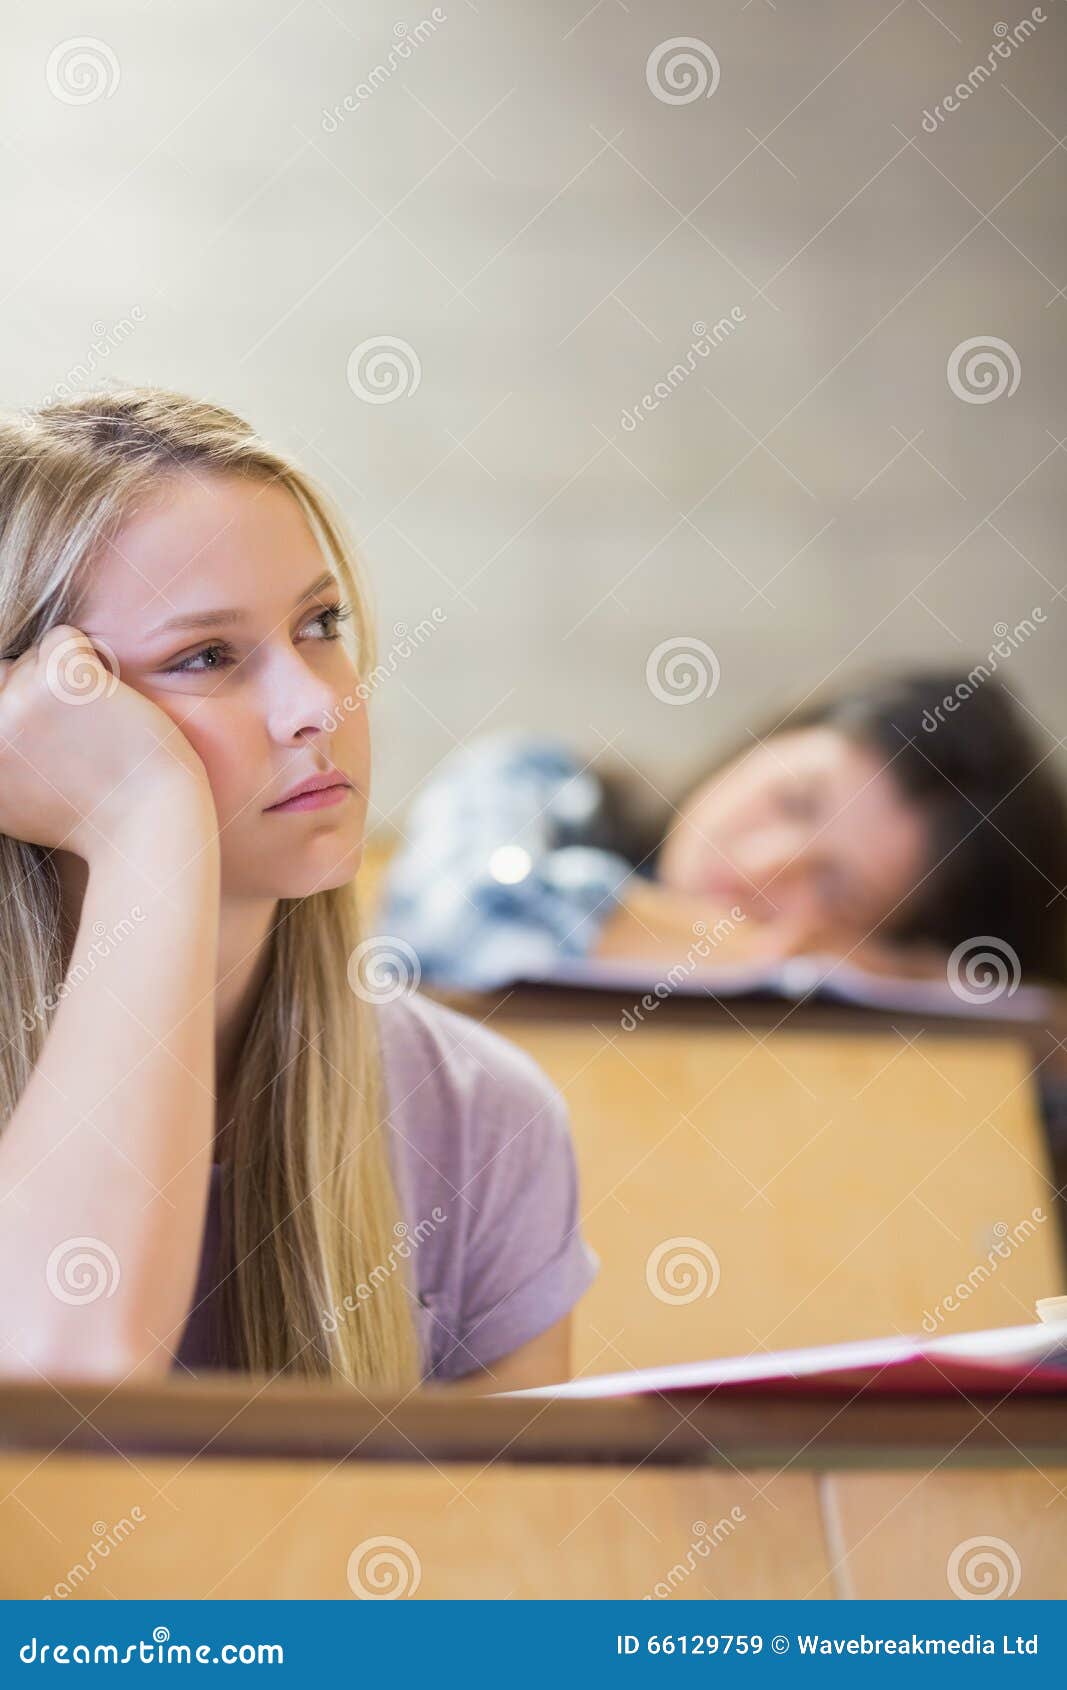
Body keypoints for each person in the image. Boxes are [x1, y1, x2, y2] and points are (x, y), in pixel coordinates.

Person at [0, 386, 597, 1392]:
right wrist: (150, 819)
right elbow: (60, 1397)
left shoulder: (477, 1117)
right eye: (206, 656)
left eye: (321, 622)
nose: (319, 703)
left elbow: (498, 1551)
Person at [379, 673, 1067, 991]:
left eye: (835, 889)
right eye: (792, 801)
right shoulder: (537, 786)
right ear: (770, 740)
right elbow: (469, 913)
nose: (766, 864)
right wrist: (770, 953)